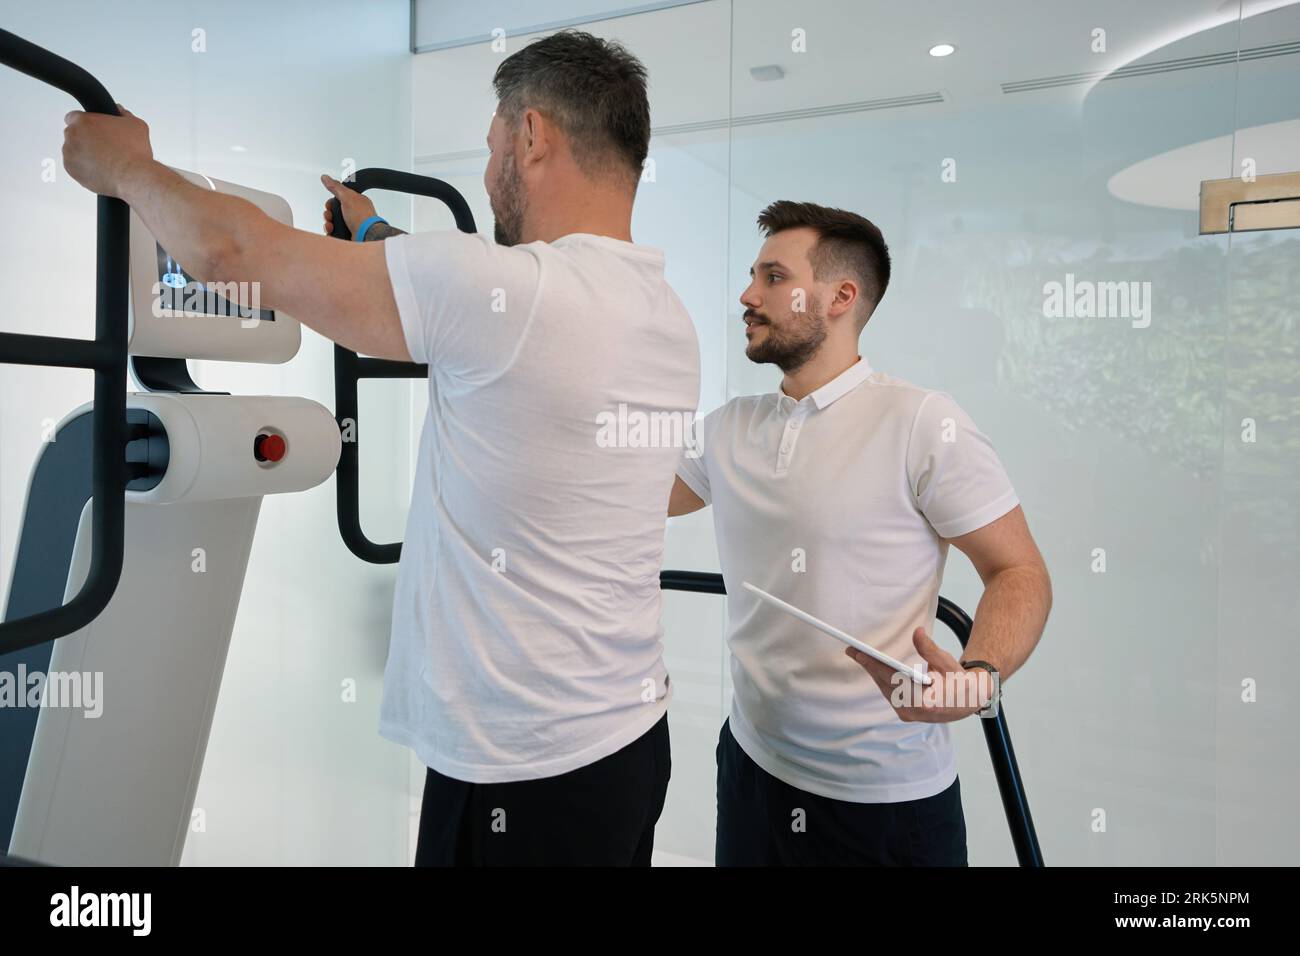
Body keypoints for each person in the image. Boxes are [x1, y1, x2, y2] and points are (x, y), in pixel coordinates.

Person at [62, 29, 700, 866]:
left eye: (493, 142)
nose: (487, 169)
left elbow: (229, 252)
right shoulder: (663, 313)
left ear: (533, 135)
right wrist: (373, 237)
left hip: (520, 766)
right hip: (626, 736)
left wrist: (126, 167)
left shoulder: (507, 289)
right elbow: (470, 317)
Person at [668, 201, 1051, 866]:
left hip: (887, 807)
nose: (747, 294)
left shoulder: (921, 422)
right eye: (751, 275)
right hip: (753, 767)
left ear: (840, 297)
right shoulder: (729, 428)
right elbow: (630, 496)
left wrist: (978, 674)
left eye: (771, 276)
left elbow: (1019, 572)